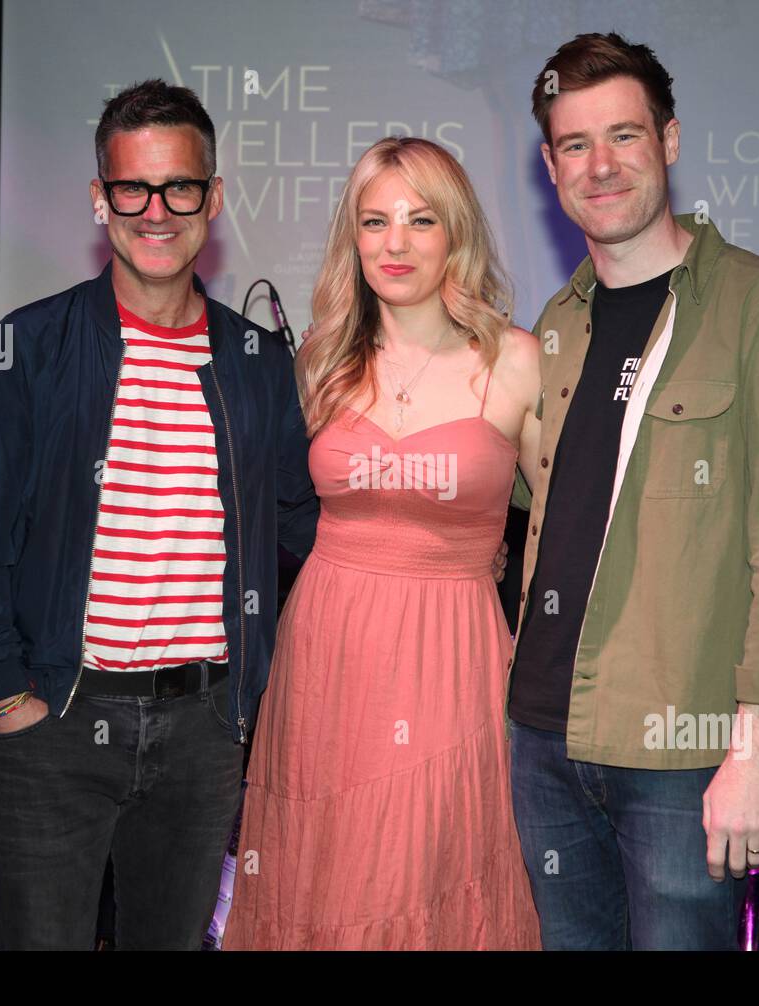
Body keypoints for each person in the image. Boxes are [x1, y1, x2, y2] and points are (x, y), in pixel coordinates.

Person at [0, 79, 319, 950]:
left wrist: (429, 549)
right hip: (53, 723)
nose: (156, 211)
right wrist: (4, 697)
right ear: (99, 198)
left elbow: (304, 523)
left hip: (204, 732)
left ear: (213, 198)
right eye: (132, 188)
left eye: (179, 187)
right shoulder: (28, 348)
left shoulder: (257, 362)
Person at [505, 32, 759, 950]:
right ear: (550, 166)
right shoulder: (556, 323)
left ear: (670, 140)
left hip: (680, 758)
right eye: (575, 144)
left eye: (624, 135)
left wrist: (755, 753)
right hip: (539, 736)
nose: (601, 165)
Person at [223, 136, 543, 950]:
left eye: (420, 220)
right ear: (354, 237)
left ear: (455, 233)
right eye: (375, 221)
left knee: (426, 867)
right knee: (328, 873)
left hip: (455, 655)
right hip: (327, 655)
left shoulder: (516, 361)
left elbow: (560, 528)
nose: (395, 242)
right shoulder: (320, 361)